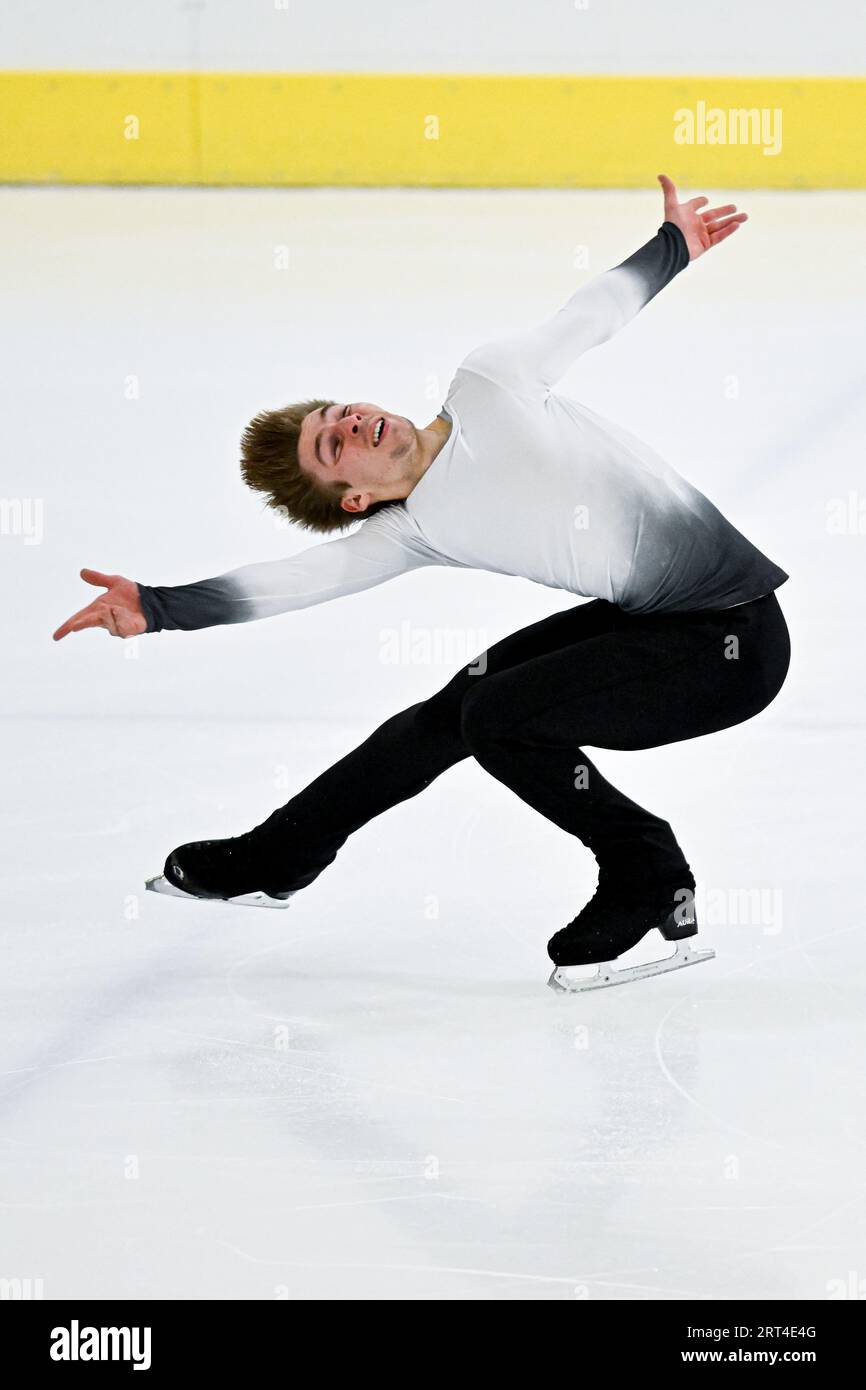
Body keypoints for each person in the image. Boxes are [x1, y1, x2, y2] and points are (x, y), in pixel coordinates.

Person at [53, 174, 790, 988]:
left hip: (733, 646)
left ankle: (646, 869)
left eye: (336, 414)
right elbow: (290, 581)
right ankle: (279, 856)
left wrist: (674, 246)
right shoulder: (409, 529)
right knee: (455, 710)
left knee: (498, 715)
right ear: (356, 499)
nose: (350, 423)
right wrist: (157, 607)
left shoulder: (489, 383)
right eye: (334, 449)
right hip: (663, 628)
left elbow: (587, 317)